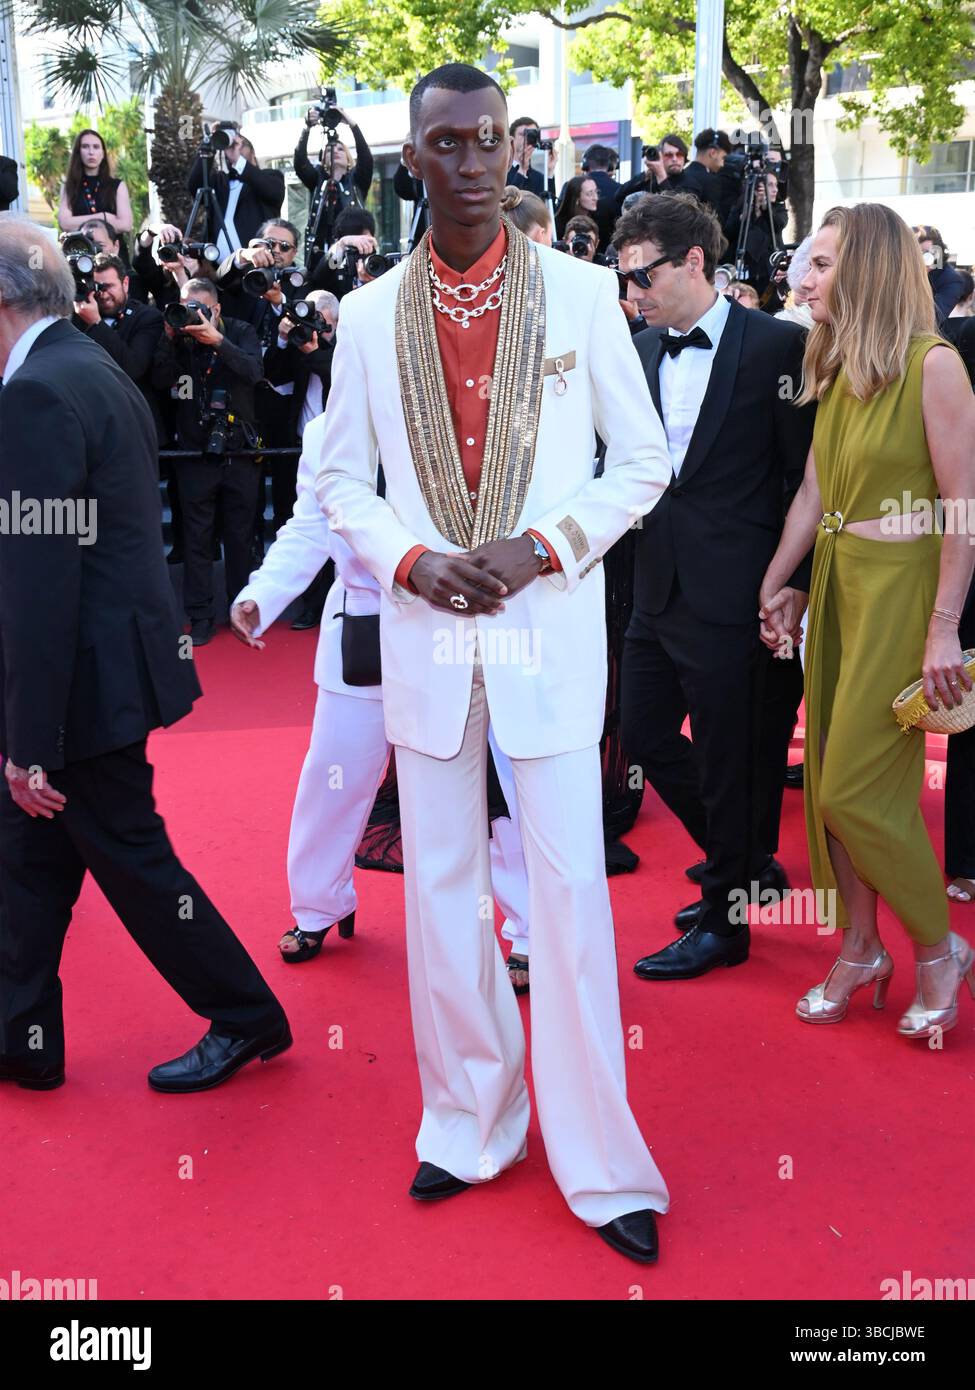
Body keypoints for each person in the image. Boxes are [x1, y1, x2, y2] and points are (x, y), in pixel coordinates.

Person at [316, 62, 673, 1262]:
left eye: (492, 140)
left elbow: (643, 460)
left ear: (512, 150)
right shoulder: (366, 316)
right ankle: (468, 1123)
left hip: (550, 644)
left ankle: (603, 1161)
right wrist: (410, 559)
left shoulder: (580, 296)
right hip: (427, 648)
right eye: (448, 143)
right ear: (410, 157)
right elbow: (334, 483)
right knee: (440, 901)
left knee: (569, 903)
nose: (475, 161)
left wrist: (546, 546)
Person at [0, 215, 290, 1093]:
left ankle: (244, 1014)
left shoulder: (39, 393)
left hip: (85, 684)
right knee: (26, 860)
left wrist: (30, 740)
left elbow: (41, 579)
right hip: (112, 662)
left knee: (130, 858)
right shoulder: (88, 366)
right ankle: (22, 1036)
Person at [760, 203, 975, 1038]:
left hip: (903, 589)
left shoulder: (934, 366)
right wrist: (780, 582)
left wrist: (943, 625)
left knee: (853, 785)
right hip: (842, 579)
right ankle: (857, 946)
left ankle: (935, 948)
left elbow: (962, 507)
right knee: (829, 789)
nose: (801, 279)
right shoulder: (840, 363)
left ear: (869, 269)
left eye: (818, 265)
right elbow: (816, 495)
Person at [229, 411, 532, 975]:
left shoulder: (457, 413)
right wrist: (262, 595)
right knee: (333, 774)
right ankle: (319, 905)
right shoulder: (324, 431)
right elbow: (309, 527)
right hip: (362, 630)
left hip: (452, 630)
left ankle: (528, 929)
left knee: (490, 784)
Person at [613, 193, 814, 981]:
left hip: (742, 590)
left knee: (733, 757)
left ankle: (727, 921)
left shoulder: (778, 347)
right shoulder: (637, 349)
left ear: (694, 261)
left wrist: (790, 583)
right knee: (647, 734)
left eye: (642, 277)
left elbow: (807, 477)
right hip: (655, 581)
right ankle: (742, 859)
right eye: (625, 281)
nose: (633, 295)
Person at [150, 278, 263, 646]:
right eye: (187, 308)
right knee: (196, 539)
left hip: (240, 451)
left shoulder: (241, 332)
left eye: (199, 309)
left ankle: (241, 609)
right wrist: (169, 336)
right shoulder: (180, 341)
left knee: (240, 536)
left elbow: (253, 372)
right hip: (195, 453)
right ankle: (199, 616)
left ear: (215, 309)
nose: (193, 317)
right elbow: (161, 380)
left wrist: (218, 341)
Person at [71, 252, 165, 442]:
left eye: (109, 286)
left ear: (126, 283)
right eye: (97, 287)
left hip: (135, 426)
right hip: (91, 425)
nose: (103, 294)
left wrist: (97, 324)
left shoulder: (147, 317)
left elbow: (133, 367)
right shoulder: (76, 317)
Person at [187, 123, 285, 262]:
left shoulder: (271, 176)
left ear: (253, 152)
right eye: (230, 146)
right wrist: (208, 151)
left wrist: (238, 161)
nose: (234, 148)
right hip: (215, 268)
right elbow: (194, 187)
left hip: (253, 266)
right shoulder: (220, 181)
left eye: (241, 144)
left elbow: (273, 192)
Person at [295, 104, 373, 270]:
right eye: (330, 149)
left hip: (355, 252)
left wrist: (353, 125)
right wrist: (306, 128)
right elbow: (300, 162)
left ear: (348, 157)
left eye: (340, 149)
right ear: (323, 159)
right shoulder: (317, 180)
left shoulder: (357, 180)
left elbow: (366, 157)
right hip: (322, 253)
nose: (335, 151)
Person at [723, 170, 787, 300]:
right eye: (770, 185)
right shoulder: (742, 206)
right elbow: (729, 231)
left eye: (776, 185)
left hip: (769, 273)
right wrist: (750, 208)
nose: (775, 189)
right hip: (745, 272)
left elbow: (778, 225)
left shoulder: (778, 209)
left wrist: (765, 208)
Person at [58, 130, 132, 237]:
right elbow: (65, 223)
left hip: (113, 251)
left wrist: (77, 222)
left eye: (96, 147)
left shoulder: (117, 186)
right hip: (81, 250)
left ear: (102, 153)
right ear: (78, 152)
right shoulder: (69, 186)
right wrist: (104, 217)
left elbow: (125, 225)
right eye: (85, 146)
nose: (91, 152)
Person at [663, 128, 731, 215]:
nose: (722, 164)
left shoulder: (682, 174)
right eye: (723, 158)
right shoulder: (711, 181)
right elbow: (715, 220)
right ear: (712, 153)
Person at [615, 134, 688, 210]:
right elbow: (619, 196)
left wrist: (661, 176)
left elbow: (677, 210)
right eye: (669, 155)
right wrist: (645, 175)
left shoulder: (690, 181)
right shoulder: (651, 178)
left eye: (679, 154)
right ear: (660, 156)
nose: (675, 159)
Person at [913, 225, 966, 321]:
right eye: (916, 253)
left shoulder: (951, 280)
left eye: (927, 253)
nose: (920, 259)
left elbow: (933, 318)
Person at [507, 116, 557, 202]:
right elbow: (508, 203)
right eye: (523, 134)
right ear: (511, 139)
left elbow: (550, 208)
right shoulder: (501, 172)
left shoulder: (539, 177)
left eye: (532, 135)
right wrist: (521, 170)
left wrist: (549, 172)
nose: (527, 139)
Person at [553, 175, 598, 241]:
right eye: (589, 194)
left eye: (596, 192)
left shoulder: (597, 219)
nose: (595, 198)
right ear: (577, 198)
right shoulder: (558, 225)